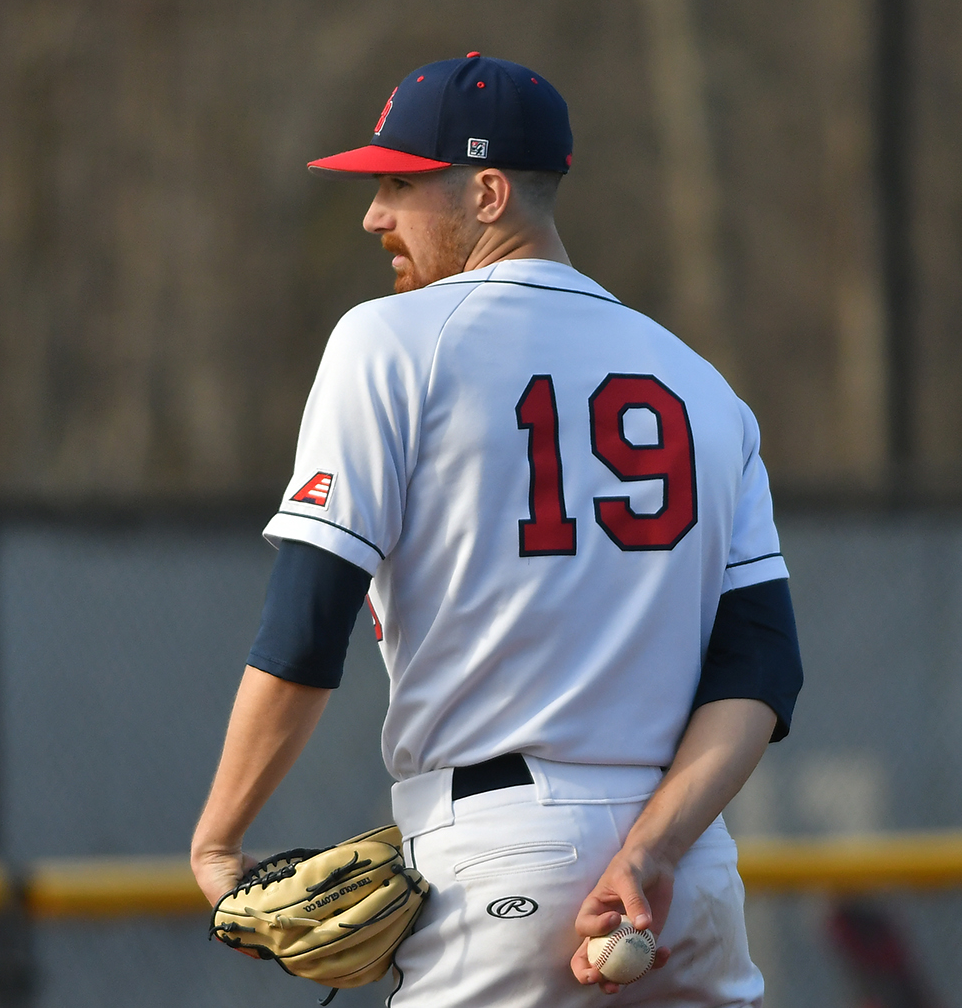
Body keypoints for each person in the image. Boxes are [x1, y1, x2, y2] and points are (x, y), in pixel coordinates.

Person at [189, 53, 802, 1006]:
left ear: (486, 191)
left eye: (398, 182)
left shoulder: (388, 342)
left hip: (502, 858)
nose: (373, 214)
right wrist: (650, 850)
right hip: (686, 876)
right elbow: (761, 666)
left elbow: (309, 623)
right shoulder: (702, 386)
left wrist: (220, 836)